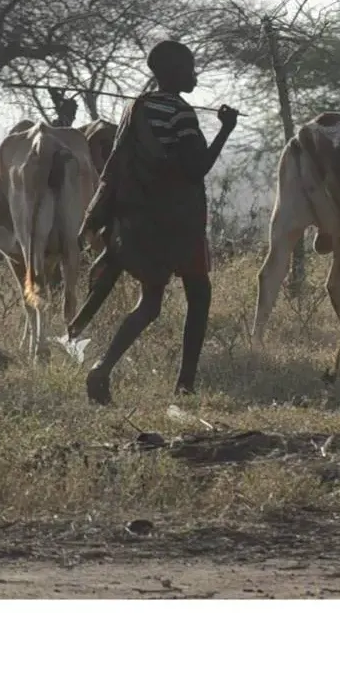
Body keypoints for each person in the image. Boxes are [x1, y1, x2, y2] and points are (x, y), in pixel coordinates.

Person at [74, 40, 238, 405]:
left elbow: (119, 166)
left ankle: (102, 369)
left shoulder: (136, 108)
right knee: (199, 295)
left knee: (150, 304)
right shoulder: (180, 113)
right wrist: (225, 129)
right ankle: (185, 384)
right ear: (175, 72)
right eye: (190, 68)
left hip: (140, 221)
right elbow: (196, 168)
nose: (194, 74)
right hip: (178, 223)